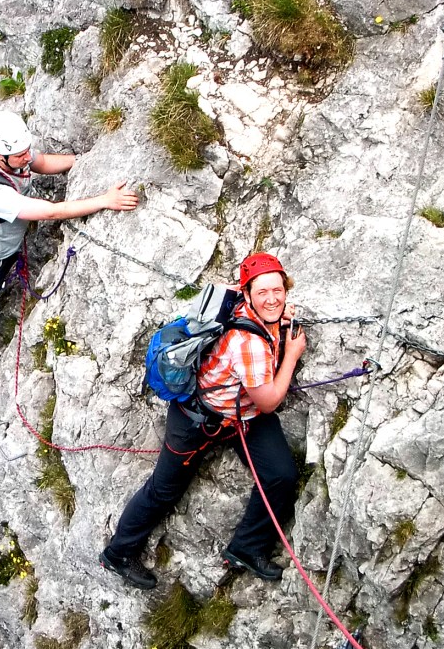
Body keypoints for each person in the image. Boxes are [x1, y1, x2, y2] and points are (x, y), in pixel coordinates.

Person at [100, 252, 306, 589]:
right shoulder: (248, 344)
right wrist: (292, 354)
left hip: (240, 415)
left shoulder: (244, 308)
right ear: (248, 293)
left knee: (281, 475)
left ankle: (246, 548)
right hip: (197, 421)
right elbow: (269, 401)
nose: (272, 299)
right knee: (164, 490)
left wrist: (278, 321)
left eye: (278, 291)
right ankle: (118, 553)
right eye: (263, 292)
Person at [0, 111, 139, 374]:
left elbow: (42, 161)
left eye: (27, 151)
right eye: (20, 155)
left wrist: (82, 161)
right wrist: (104, 201)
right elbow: (51, 212)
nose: (27, 157)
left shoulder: (7, 156)